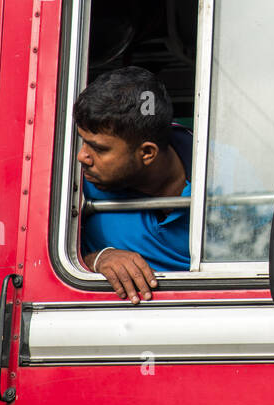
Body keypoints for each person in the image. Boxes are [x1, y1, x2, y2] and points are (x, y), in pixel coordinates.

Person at [75, 67, 191, 303]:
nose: (82, 157)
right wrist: (96, 260)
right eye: (83, 142)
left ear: (147, 153)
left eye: (98, 148)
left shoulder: (224, 182)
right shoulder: (75, 181)